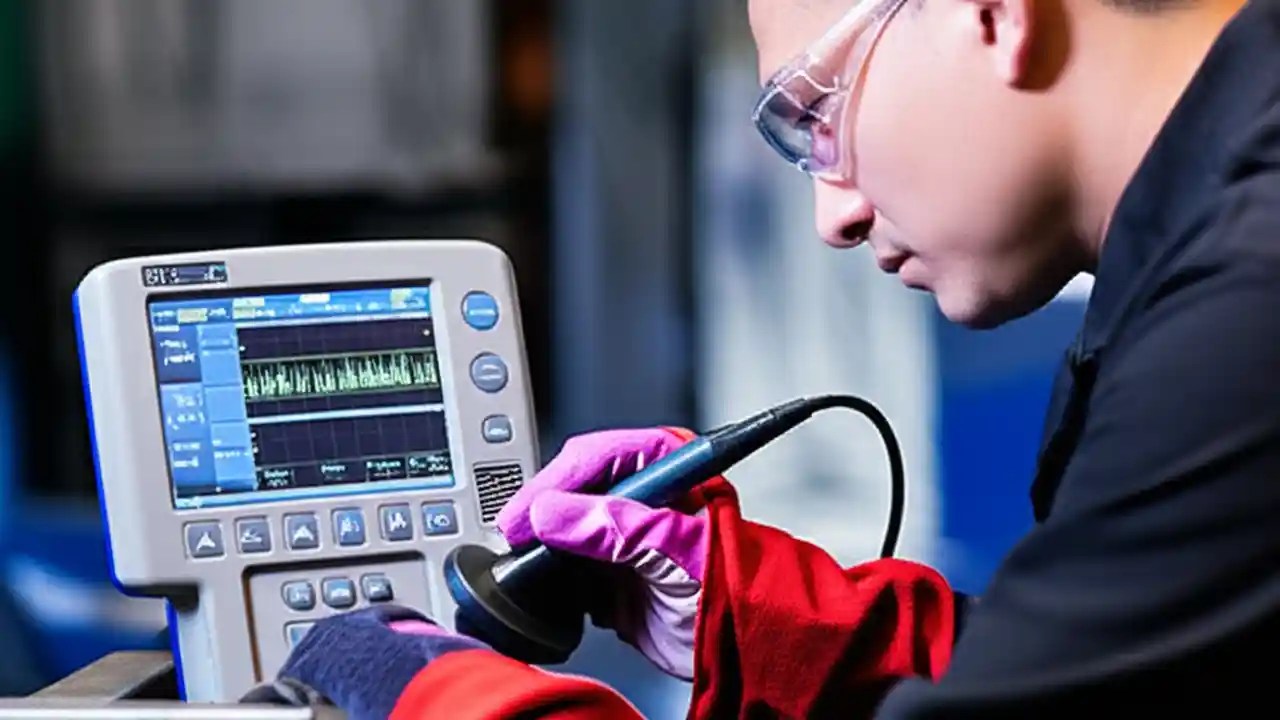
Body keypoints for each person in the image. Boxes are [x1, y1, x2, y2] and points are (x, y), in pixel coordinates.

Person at [250, 0, 1280, 715]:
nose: (831, 214)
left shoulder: (1243, 307)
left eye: (814, 114)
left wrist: (452, 703)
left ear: (989, 14)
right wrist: (768, 627)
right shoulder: (1208, 252)